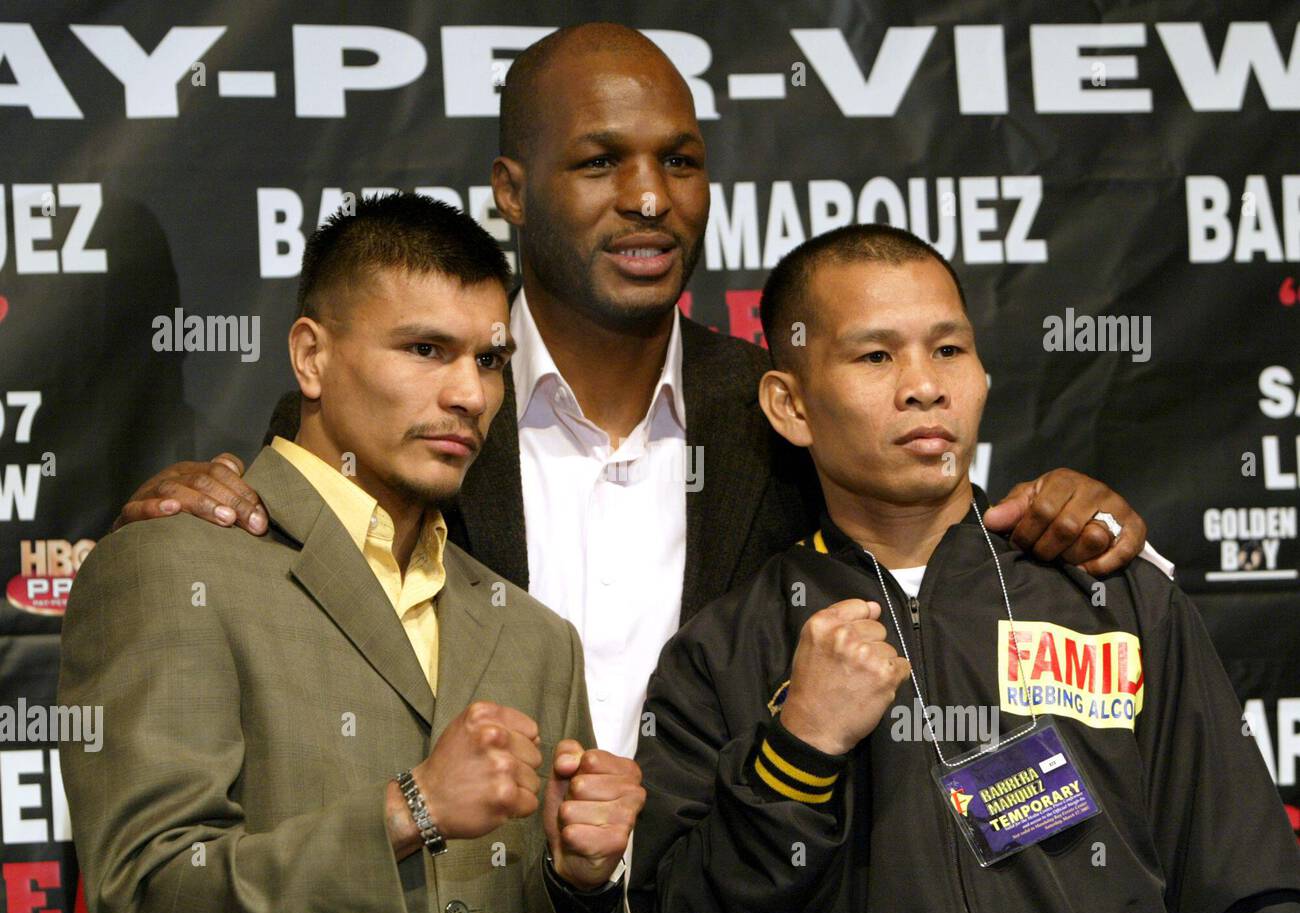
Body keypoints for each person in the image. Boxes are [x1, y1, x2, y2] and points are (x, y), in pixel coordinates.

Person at [110, 23, 1154, 760]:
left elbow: (938, 551)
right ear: (511, 189)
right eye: (600, 161)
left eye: (681, 160)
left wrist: (1065, 514)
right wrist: (201, 506)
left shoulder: (780, 408)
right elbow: (272, 566)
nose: (650, 198)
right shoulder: (408, 407)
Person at [629, 223, 1300, 913]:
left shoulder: (1110, 592)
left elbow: (1249, 889)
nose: (924, 387)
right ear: (791, 406)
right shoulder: (725, 652)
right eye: (876, 355)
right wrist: (797, 749)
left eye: (948, 350)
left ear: (981, 376)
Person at [58, 194, 644, 913]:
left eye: (490, 361)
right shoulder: (171, 568)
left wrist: (579, 885)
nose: (469, 394)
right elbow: (146, 899)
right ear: (312, 356)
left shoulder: (537, 639)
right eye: (426, 349)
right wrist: (410, 809)